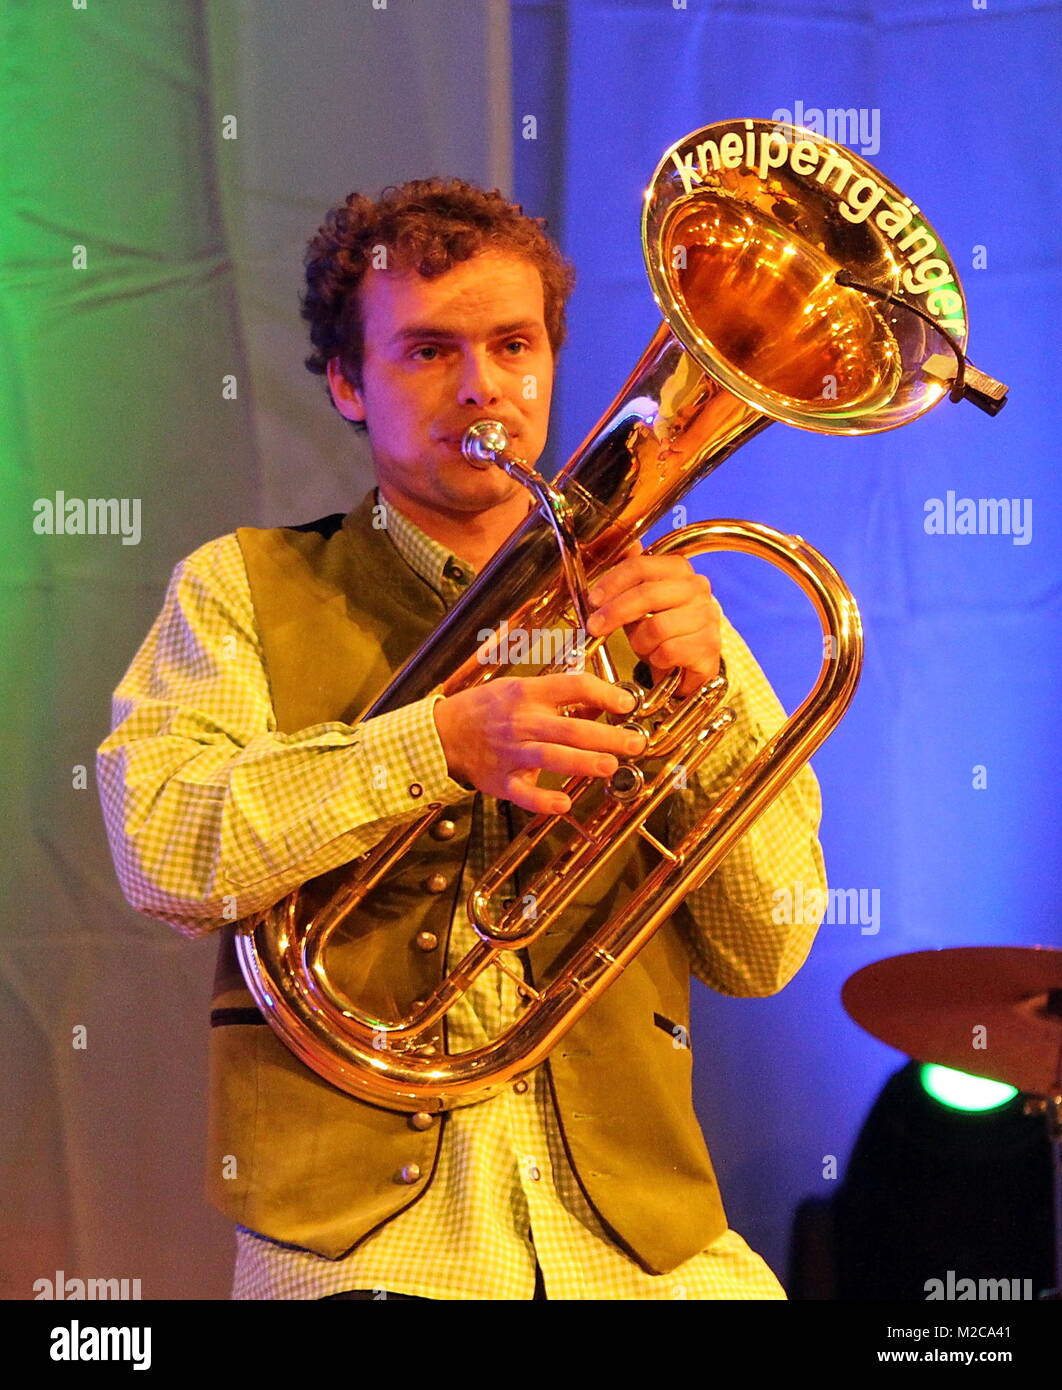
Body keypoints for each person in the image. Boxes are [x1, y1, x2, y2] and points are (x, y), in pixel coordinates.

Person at [97, 177, 828, 1300]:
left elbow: (766, 951)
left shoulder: (662, 612)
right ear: (348, 383)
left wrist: (715, 684)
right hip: (368, 1256)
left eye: (514, 345)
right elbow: (159, 845)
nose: (485, 386)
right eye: (429, 352)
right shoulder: (240, 587)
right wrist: (432, 744)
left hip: (646, 1253)